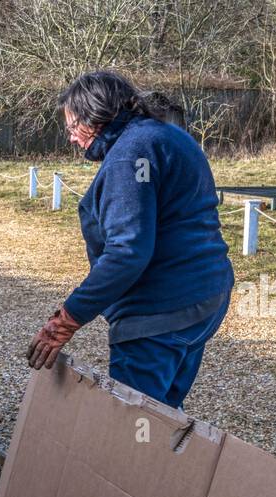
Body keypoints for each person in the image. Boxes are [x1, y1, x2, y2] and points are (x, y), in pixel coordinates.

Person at [27, 70, 234, 408]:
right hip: (206, 297)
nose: (71, 139)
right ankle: (173, 458)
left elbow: (127, 253)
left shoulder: (129, 154)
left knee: (134, 425)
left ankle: (137, 460)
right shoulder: (167, 135)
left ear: (94, 115)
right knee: (165, 414)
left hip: (159, 310)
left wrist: (65, 321)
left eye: (72, 127)